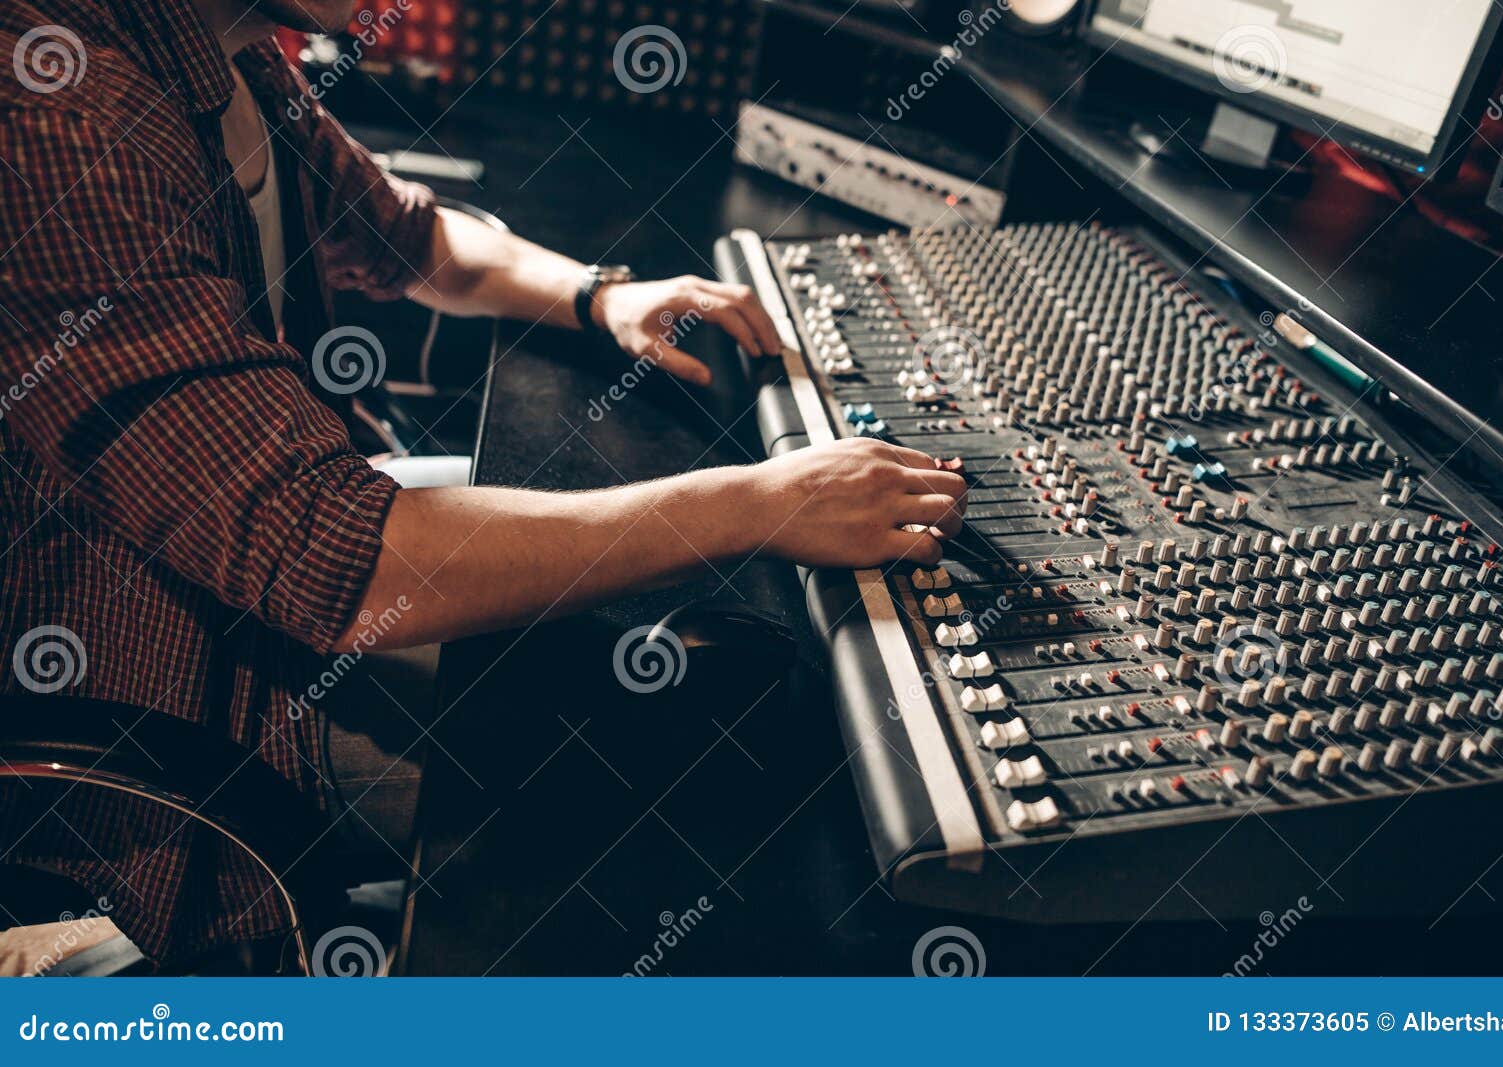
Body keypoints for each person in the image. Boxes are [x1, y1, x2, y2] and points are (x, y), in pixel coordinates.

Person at [0, 0, 966, 970]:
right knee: (728, 759)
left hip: (280, 572)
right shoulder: (60, 116)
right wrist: (760, 502)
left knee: (711, 643)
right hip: (187, 704)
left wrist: (599, 295)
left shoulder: (230, 50)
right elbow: (346, 566)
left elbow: (412, 239)